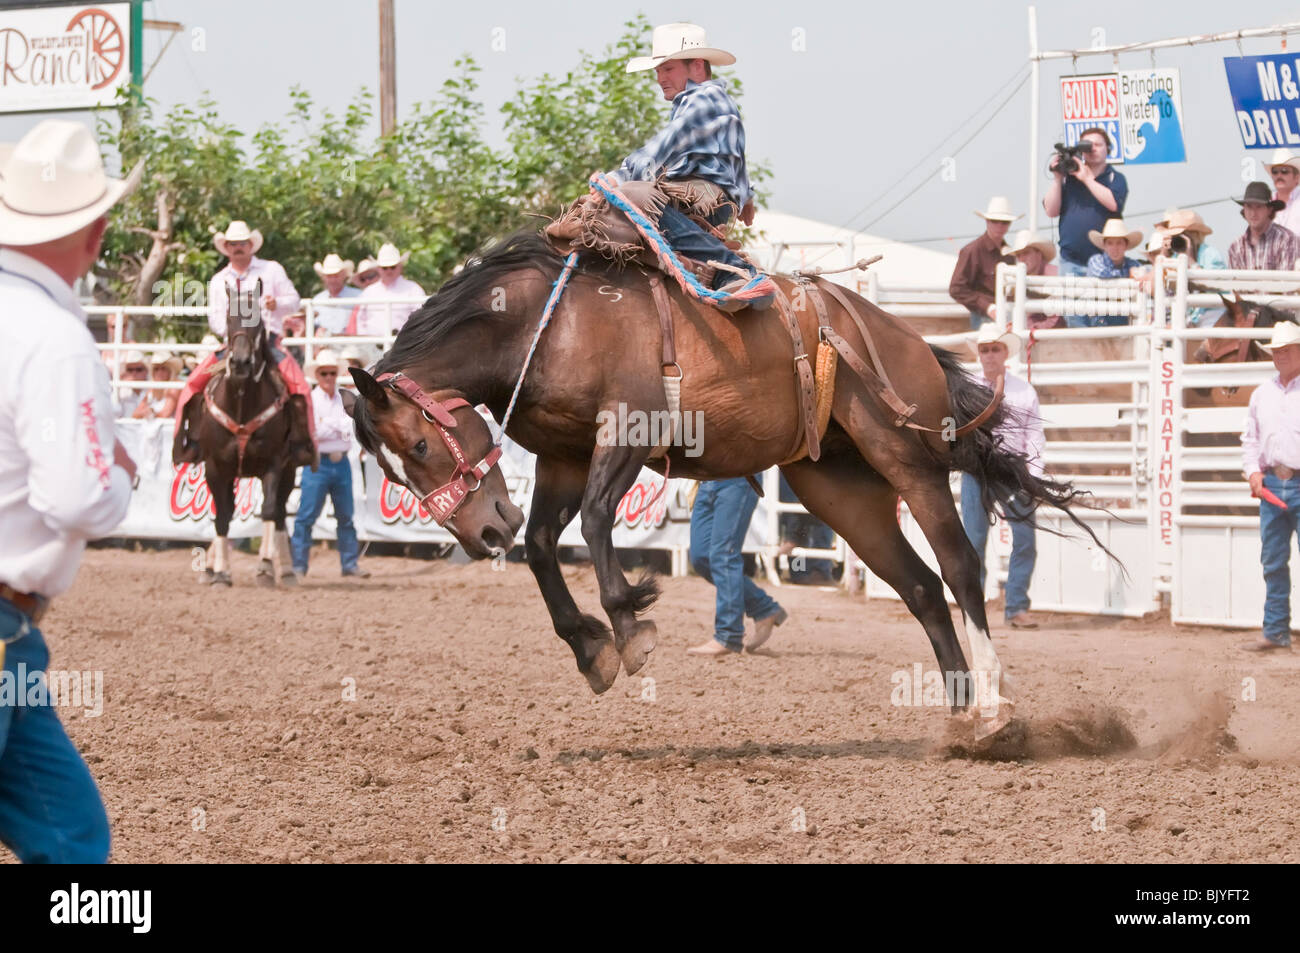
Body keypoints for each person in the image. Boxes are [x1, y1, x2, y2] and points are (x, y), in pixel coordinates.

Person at [0, 119, 141, 862]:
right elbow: (76, 499)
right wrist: (119, 468)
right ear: (95, 230)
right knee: (73, 842)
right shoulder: (52, 336)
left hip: (13, 640)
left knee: (73, 840)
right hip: (6, 626)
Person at [610, 22, 771, 313]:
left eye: (668, 69)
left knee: (631, 196)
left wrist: (617, 176)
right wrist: (746, 195)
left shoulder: (704, 99)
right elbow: (733, 151)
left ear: (697, 67)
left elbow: (661, 148)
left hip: (701, 200)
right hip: (709, 198)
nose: (659, 78)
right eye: (658, 71)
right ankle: (699, 265)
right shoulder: (711, 101)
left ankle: (731, 271)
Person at [172, 220, 314, 465]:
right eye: (232, 244)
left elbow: (294, 299)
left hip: (268, 343)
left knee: (300, 387)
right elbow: (215, 319)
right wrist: (236, 333)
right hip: (232, 344)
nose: (237, 247)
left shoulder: (271, 270)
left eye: (241, 243)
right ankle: (192, 441)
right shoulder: (219, 280)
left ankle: (301, 442)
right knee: (192, 386)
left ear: (251, 245)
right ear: (226, 247)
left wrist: (276, 304)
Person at [959, 323, 1045, 629]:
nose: (990, 355)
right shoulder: (966, 386)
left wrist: (1033, 474)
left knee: (1024, 541)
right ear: (980, 354)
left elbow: (1034, 433)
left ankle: (1016, 606)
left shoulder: (1023, 391)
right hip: (977, 470)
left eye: (995, 349)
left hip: (1012, 470)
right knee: (973, 541)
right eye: (985, 350)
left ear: (1005, 353)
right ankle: (975, 610)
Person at [1240, 322, 1300, 652]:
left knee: (1276, 561)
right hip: (1272, 483)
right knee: (1273, 561)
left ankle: (1277, 631)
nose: (1281, 357)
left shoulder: (1263, 393)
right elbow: (1249, 439)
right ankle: (1276, 632)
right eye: (1277, 352)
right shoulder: (1261, 394)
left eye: (1287, 350)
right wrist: (1252, 472)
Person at [686, 478, 787, 655]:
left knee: (723, 555)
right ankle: (764, 609)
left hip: (738, 476)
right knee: (701, 557)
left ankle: (729, 636)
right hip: (706, 479)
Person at [291, 350, 367, 578]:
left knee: (345, 516)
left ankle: (348, 564)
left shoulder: (331, 399)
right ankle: (300, 565)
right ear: (317, 374)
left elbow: (345, 429)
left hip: (335, 462)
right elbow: (315, 431)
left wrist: (328, 425)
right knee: (307, 516)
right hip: (320, 463)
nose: (328, 377)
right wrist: (337, 426)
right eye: (324, 373)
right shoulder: (315, 400)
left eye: (332, 373)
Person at [1042, 127, 1129, 326]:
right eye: (1088, 146)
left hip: (1105, 263)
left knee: (1107, 317)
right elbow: (1051, 210)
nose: (1092, 149)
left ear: (1108, 148)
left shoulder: (1116, 179)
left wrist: (1087, 178)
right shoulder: (1069, 180)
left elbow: (1114, 203)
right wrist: (1058, 179)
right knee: (1075, 318)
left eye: (1098, 145)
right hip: (1071, 261)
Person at [950, 197, 1018, 329]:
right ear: (987, 221)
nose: (999, 225)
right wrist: (987, 307)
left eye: (1004, 222)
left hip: (1006, 316)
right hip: (983, 317)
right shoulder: (972, 251)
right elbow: (956, 288)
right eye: (995, 221)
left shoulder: (1010, 254)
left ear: (1009, 225)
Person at [350, 243, 424, 337]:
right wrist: (365, 341)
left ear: (400, 267)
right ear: (378, 269)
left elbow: (421, 318)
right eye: (385, 268)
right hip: (371, 345)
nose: (389, 271)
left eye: (393, 267)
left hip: (404, 344)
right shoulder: (369, 292)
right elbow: (360, 320)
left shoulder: (413, 289)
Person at [1227, 182, 1300, 272]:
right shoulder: (1236, 247)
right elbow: (1234, 284)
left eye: (1259, 206)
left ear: (1269, 210)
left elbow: (1285, 284)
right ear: (1244, 210)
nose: (1253, 213)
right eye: (1249, 207)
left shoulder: (1288, 240)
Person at [1084, 218, 1144, 327]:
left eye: (1119, 243)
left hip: (1122, 319)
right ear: (1105, 246)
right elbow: (1104, 274)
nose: (1114, 248)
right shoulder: (1096, 260)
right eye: (1110, 243)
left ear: (1125, 245)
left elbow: (1145, 273)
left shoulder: (1132, 264)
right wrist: (1132, 274)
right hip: (1098, 319)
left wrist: (1140, 273)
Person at [1007, 230, 1061, 329]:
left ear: (1039, 254)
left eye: (1026, 253)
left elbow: (1056, 318)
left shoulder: (1053, 275)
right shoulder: (1023, 279)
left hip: (1059, 334)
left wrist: (1031, 327)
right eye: (1018, 255)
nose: (1022, 259)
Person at [310, 253, 359, 337]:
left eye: (336, 276)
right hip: (324, 344)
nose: (333, 280)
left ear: (343, 275)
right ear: (323, 278)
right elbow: (314, 326)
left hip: (351, 342)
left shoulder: (358, 296)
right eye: (329, 276)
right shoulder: (317, 300)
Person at [131, 351, 180, 420]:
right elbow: (135, 414)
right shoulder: (152, 389)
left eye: (163, 368)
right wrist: (146, 412)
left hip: (167, 428)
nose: (159, 372)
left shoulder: (174, 387)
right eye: (156, 369)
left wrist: (151, 413)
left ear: (170, 371)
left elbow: (165, 413)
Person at [1267, 149, 1300, 237]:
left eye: (1284, 171)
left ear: (1296, 177)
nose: (1279, 175)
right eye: (1275, 172)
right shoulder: (1265, 205)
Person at [113, 348, 149, 418]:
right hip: (124, 428)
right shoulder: (120, 391)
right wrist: (119, 386)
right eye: (130, 370)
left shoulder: (153, 390)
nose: (134, 373)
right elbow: (113, 412)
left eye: (138, 369)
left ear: (146, 371)